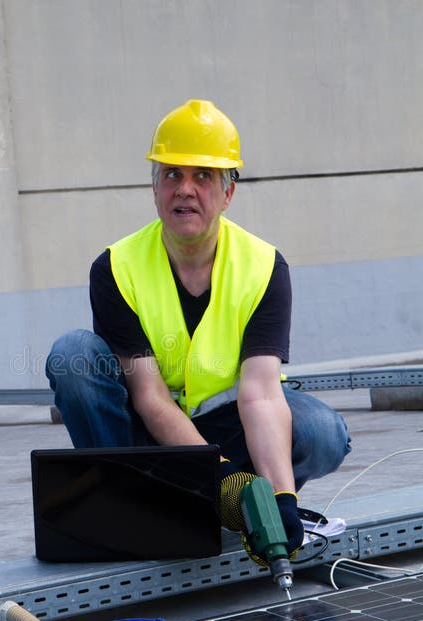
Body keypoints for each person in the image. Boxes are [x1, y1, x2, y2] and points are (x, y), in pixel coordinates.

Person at [46, 100, 350, 558]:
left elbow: (262, 394)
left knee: (322, 431)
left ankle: (254, 503)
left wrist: (282, 497)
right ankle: (126, 500)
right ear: (154, 189)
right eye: (172, 175)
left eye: (203, 176)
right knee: (74, 353)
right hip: (147, 439)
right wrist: (220, 477)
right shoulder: (116, 268)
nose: (185, 190)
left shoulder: (264, 266)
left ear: (228, 193)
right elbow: (149, 397)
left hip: (229, 427)